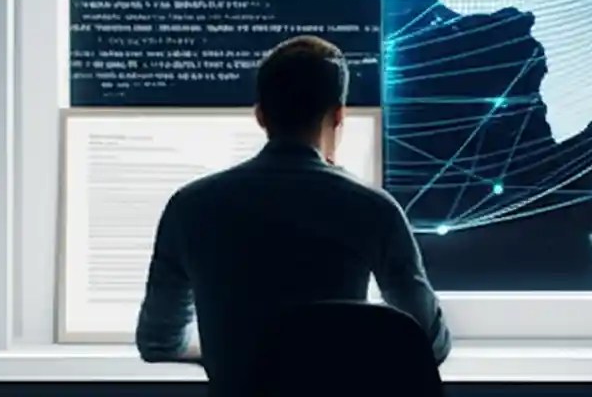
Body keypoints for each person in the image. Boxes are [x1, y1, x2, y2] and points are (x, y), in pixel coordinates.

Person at [135, 35, 452, 391]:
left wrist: (228, 352)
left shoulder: (188, 206)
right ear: (338, 116)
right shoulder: (373, 208)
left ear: (260, 116)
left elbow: (157, 343)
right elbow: (429, 342)